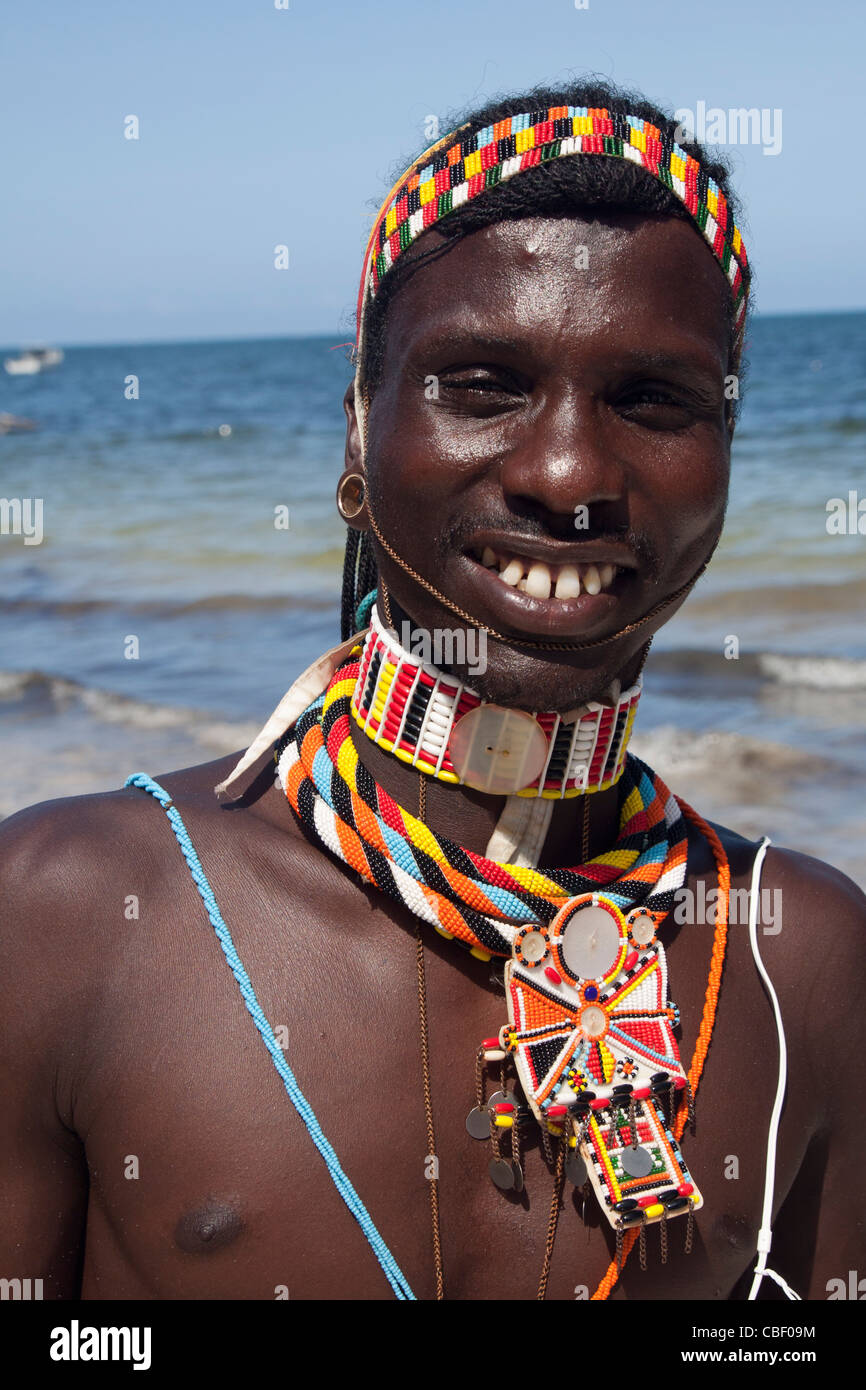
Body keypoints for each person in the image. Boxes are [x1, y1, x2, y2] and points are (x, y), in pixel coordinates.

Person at [2, 78, 864, 1303]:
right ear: (357, 429)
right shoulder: (64, 914)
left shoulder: (804, 967)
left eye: (652, 399)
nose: (568, 470)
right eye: (481, 384)